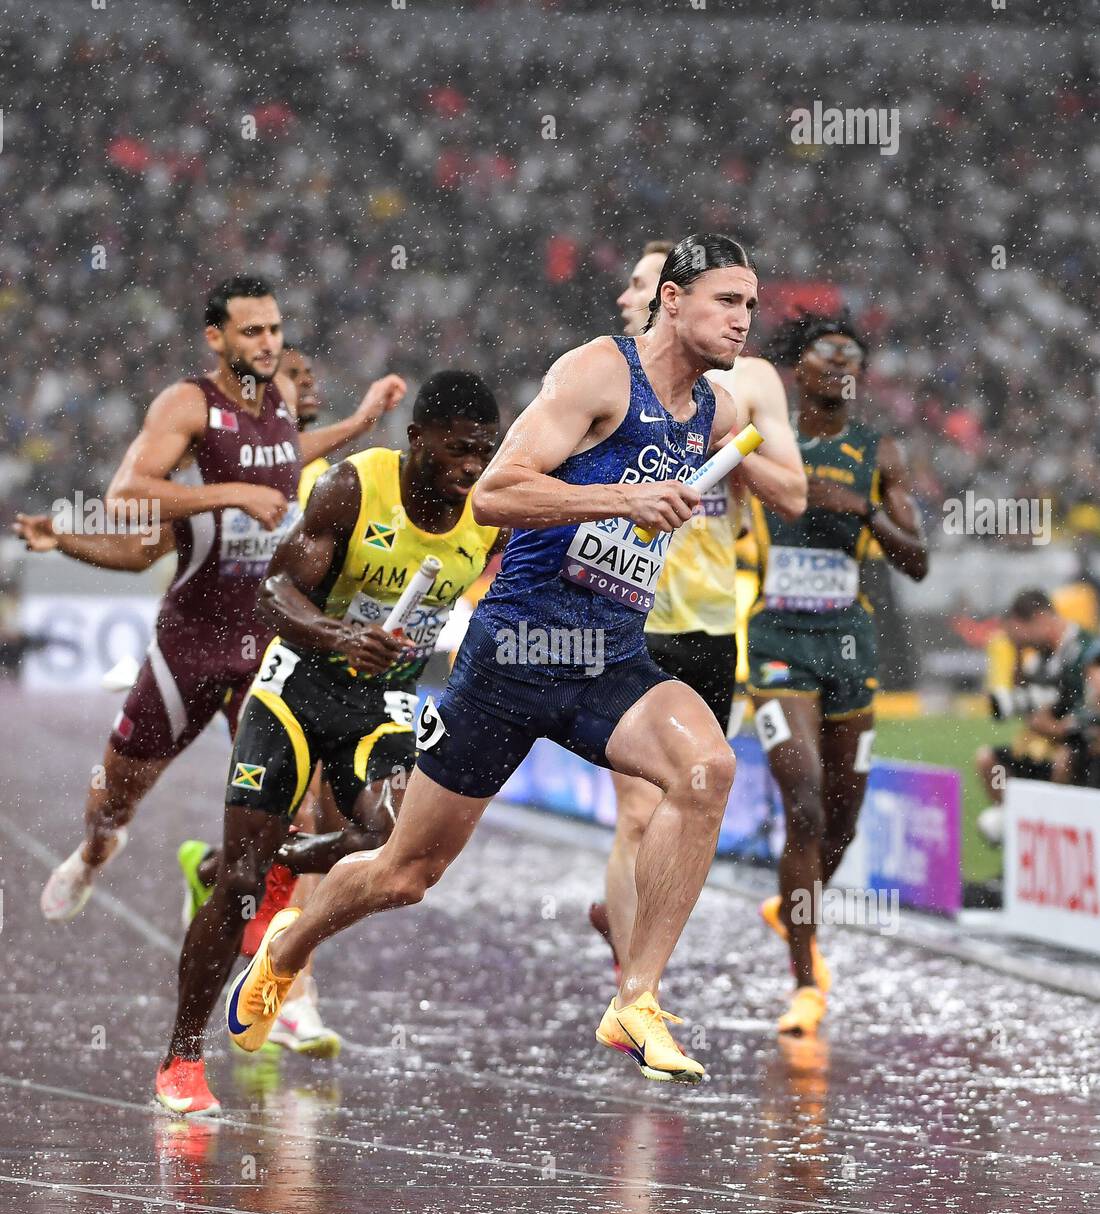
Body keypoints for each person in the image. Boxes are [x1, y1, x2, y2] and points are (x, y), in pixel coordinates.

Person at [225, 233, 805, 1085]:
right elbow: (495, 493)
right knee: (404, 872)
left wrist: (776, 415)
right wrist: (624, 497)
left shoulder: (715, 414)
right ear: (673, 301)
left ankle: (636, 997)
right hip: (514, 656)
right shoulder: (597, 374)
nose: (744, 319)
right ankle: (289, 943)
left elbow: (786, 487)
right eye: (727, 300)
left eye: (752, 304)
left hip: (609, 658)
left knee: (707, 769)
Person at [158, 372, 503, 1114]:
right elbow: (275, 594)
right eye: (457, 452)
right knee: (239, 888)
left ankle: (271, 864)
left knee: (385, 844)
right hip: (294, 692)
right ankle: (182, 1059)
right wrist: (343, 633)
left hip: (380, 704)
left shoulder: (488, 516)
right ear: (419, 441)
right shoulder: (355, 486)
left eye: (485, 453)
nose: (472, 468)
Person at [38, 277, 404, 922]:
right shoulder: (189, 404)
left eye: (275, 329)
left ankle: (219, 885)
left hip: (270, 644)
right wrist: (230, 494)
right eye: (251, 331)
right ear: (217, 336)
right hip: (191, 642)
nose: (268, 344)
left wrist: (361, 422)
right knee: (117, 795)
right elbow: (127, 493)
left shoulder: (280, 401)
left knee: (285, 808)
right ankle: (96, 851)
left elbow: (290, 456)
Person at [592, 239, 804, 976]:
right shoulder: (615, 376)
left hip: (710, 622)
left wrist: (724, 438)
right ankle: (633, 987)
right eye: (636, 289)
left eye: (748, 304)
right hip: (628, 616)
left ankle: (629, 929)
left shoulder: (750, 385)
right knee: (638, 811)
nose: (637, 299)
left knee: (693, 799)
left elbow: (795, 495)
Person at [747, 313, 928, 1035]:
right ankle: (804, 981)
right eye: (829, 357)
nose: (843, 367)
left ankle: (795, 904)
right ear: (801, 371)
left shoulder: (878, 451)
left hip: (849, 643)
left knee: (844, 819)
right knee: (807, 802)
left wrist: (865, 515)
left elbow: (917, 561)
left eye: (854, 358)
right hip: (778, 641)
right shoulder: (771, 437)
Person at [976, 588, 1098, 841]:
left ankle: (1051, 836)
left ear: (1041, 618)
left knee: (1064, 760)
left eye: (1024, 634)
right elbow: (1019, 698)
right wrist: (1018, 653)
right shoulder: (1040, 657)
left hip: (1074, 747)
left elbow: (1090, 711)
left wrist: (1056, 729)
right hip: (1042, 747)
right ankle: (1010, 823)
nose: (1025, 641)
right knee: (992, 764)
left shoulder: (1083, 650)